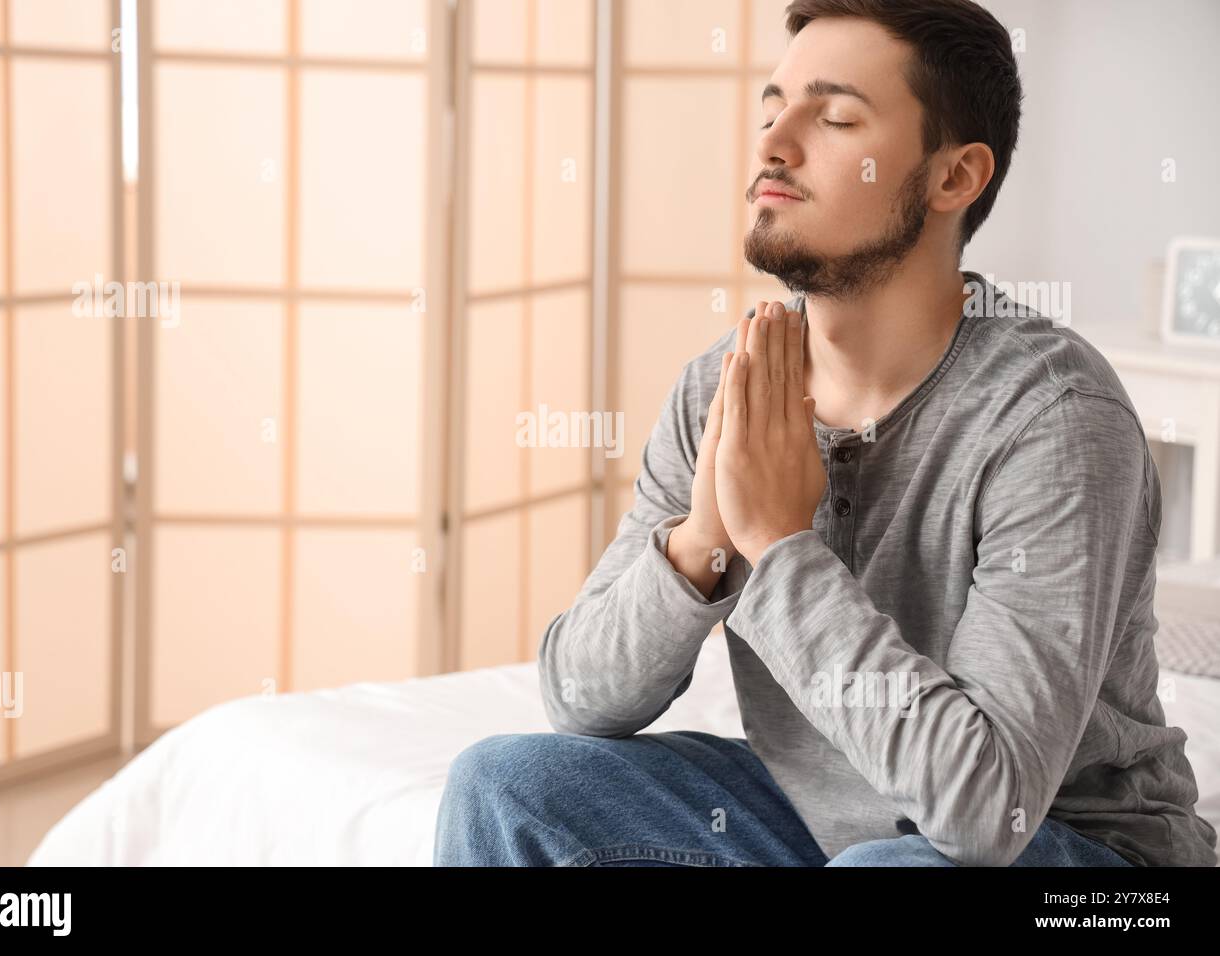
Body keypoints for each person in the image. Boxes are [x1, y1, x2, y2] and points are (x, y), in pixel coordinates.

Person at [433, 0, 1218, 867]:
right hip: (824, 821)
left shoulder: (1055, 418)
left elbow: (987, 812)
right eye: (774, 108)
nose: (775, 142)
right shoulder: (728, 390)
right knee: (506, 787)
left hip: (1088, 869)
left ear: (955, 177)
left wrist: (777, 542)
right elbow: (581, 698)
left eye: (836, 117)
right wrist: (703, 541)